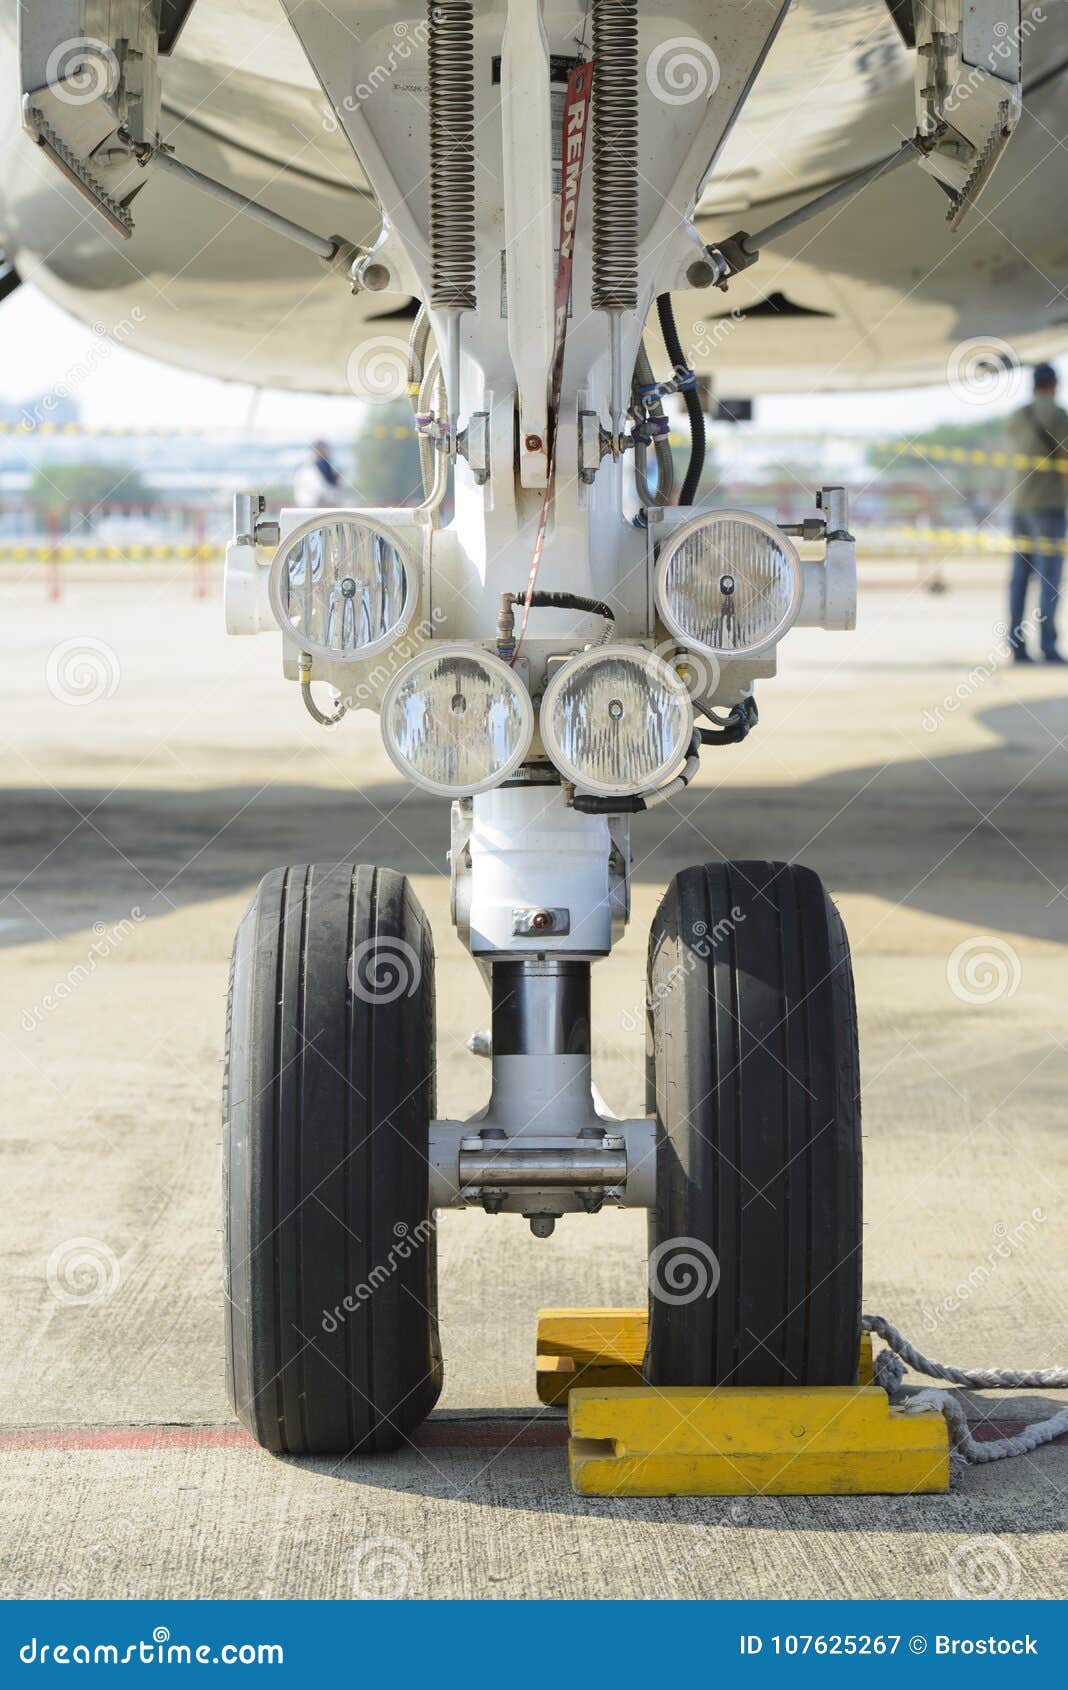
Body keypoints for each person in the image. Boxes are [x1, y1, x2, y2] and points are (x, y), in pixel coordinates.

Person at [1007, 364, 1067, 664]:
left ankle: (1016, 646)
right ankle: (1048, 646)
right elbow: (1065, 460)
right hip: (1049, 507)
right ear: (1054, 385)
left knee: (1019, 579)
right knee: (1050, 579)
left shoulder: (1016, 416)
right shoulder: (1057, 414)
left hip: (1019, 505)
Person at [293, 439, 344, 507]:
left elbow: (332, 485)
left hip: (320, 505)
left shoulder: (324, 466)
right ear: (318, 450)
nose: (328, 452)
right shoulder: (309, 468)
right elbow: (317, 491)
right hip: (312, 506)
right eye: (325, 449)